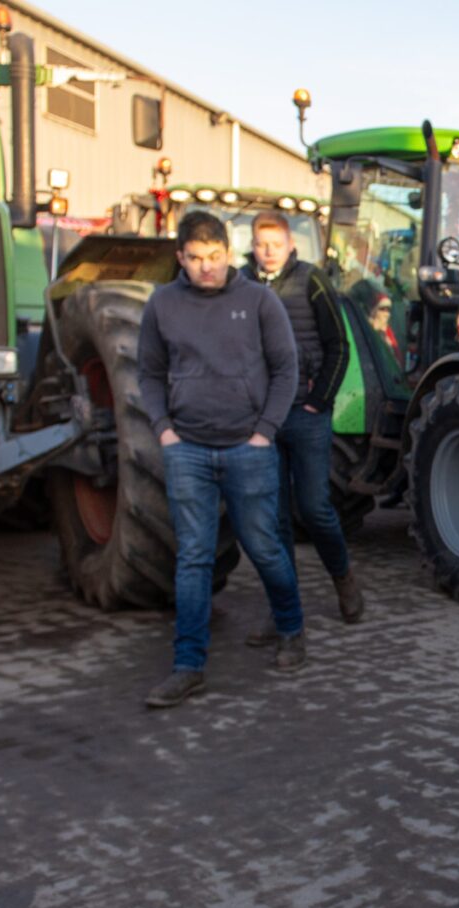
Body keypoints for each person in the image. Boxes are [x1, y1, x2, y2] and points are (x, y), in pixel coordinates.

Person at [137, 211, 305, 708]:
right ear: (180, 258)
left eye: (214, 257)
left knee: (263, 546)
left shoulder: (259, 301)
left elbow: (286, 369)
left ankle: (292, 627)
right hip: (186, 448)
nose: (206, 268)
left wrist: (263, 433)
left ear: (229, 254)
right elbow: (148, 372)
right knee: (193, 557)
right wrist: (163, 429)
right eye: (195, 259)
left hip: (246, 448)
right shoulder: (162, 304)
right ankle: (188, 665)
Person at [242, 211, 365, 637]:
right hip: (262, 421)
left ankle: (343, 577)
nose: (269, 251)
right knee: (274, 519)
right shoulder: (241, 284)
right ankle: (282, 610)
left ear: (290, 244)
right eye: (261, 243)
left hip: (305, 415)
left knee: (314, 508)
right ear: (253, 245)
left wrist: (319, 400)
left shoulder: (311, 281)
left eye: (276, 243)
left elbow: (338, 345)